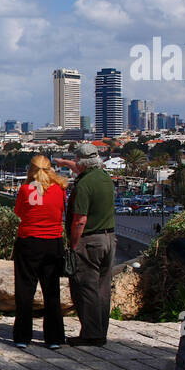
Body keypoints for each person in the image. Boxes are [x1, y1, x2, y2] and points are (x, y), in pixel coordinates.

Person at [55, 143, 116, 346]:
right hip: (109, 239)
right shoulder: (104, 178)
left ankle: (91, 334)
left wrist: (73, 245)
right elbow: (80, 165)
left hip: (89, 241)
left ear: (82, 163)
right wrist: (64, 163)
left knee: (85, 287)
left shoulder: (83, 185)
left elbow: (79, 220)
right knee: (102, 288)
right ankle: (100, 330)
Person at [11, 155, 67, 348]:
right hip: (52, 243)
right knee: (51, 291)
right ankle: (54, 338)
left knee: (25, 291)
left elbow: (18, 213)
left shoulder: (26, 189)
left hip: (29, 242)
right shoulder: (59, 190)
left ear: (31, 169)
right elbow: (60, 212)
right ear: (50, 169)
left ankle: (22, 337)